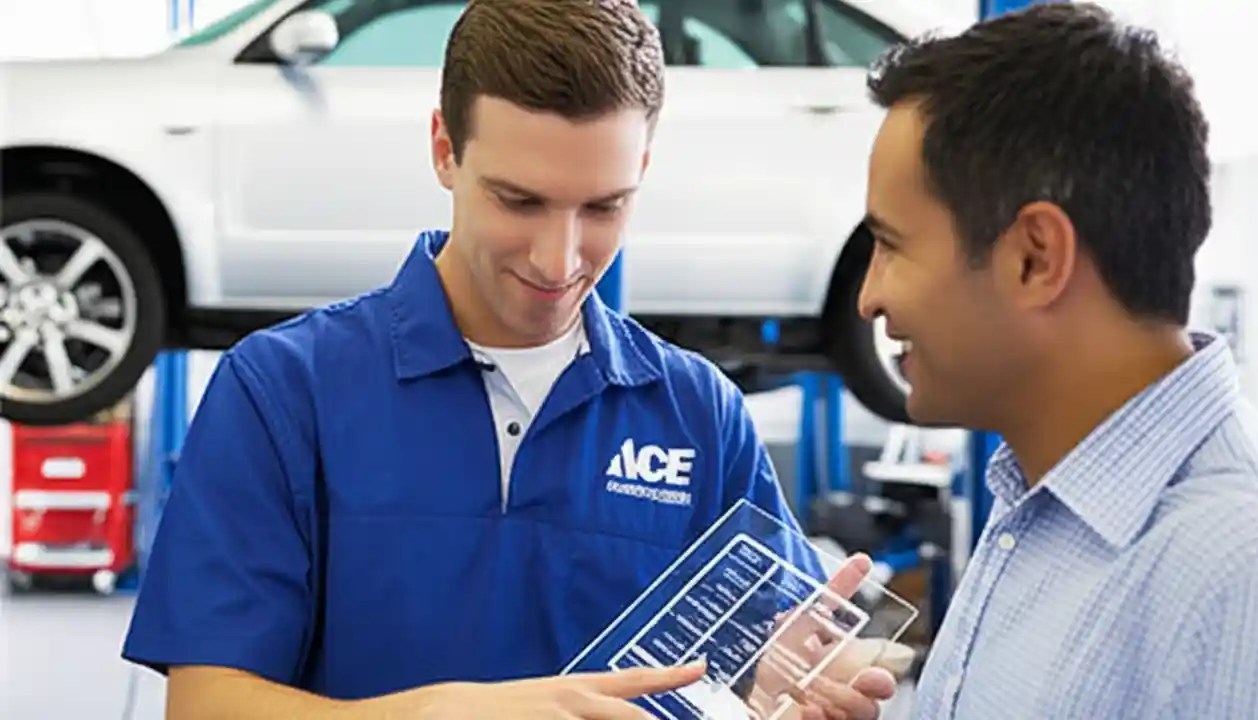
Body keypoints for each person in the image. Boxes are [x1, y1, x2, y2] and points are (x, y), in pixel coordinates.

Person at [121, 1, 899, 718]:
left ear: (643, 173)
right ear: (443, 150)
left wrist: (780, 696)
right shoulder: (283, 393)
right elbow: (205, 705)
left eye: (603, 206)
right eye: (519, 201)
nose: (558, 259)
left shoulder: (699, 416)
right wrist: (435, 715)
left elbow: (759, 678)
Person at [856, 3, 1258, 718]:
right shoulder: (1045, 500)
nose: (868, 299)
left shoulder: (1243, 574)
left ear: (1034, 258)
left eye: (892, 245)